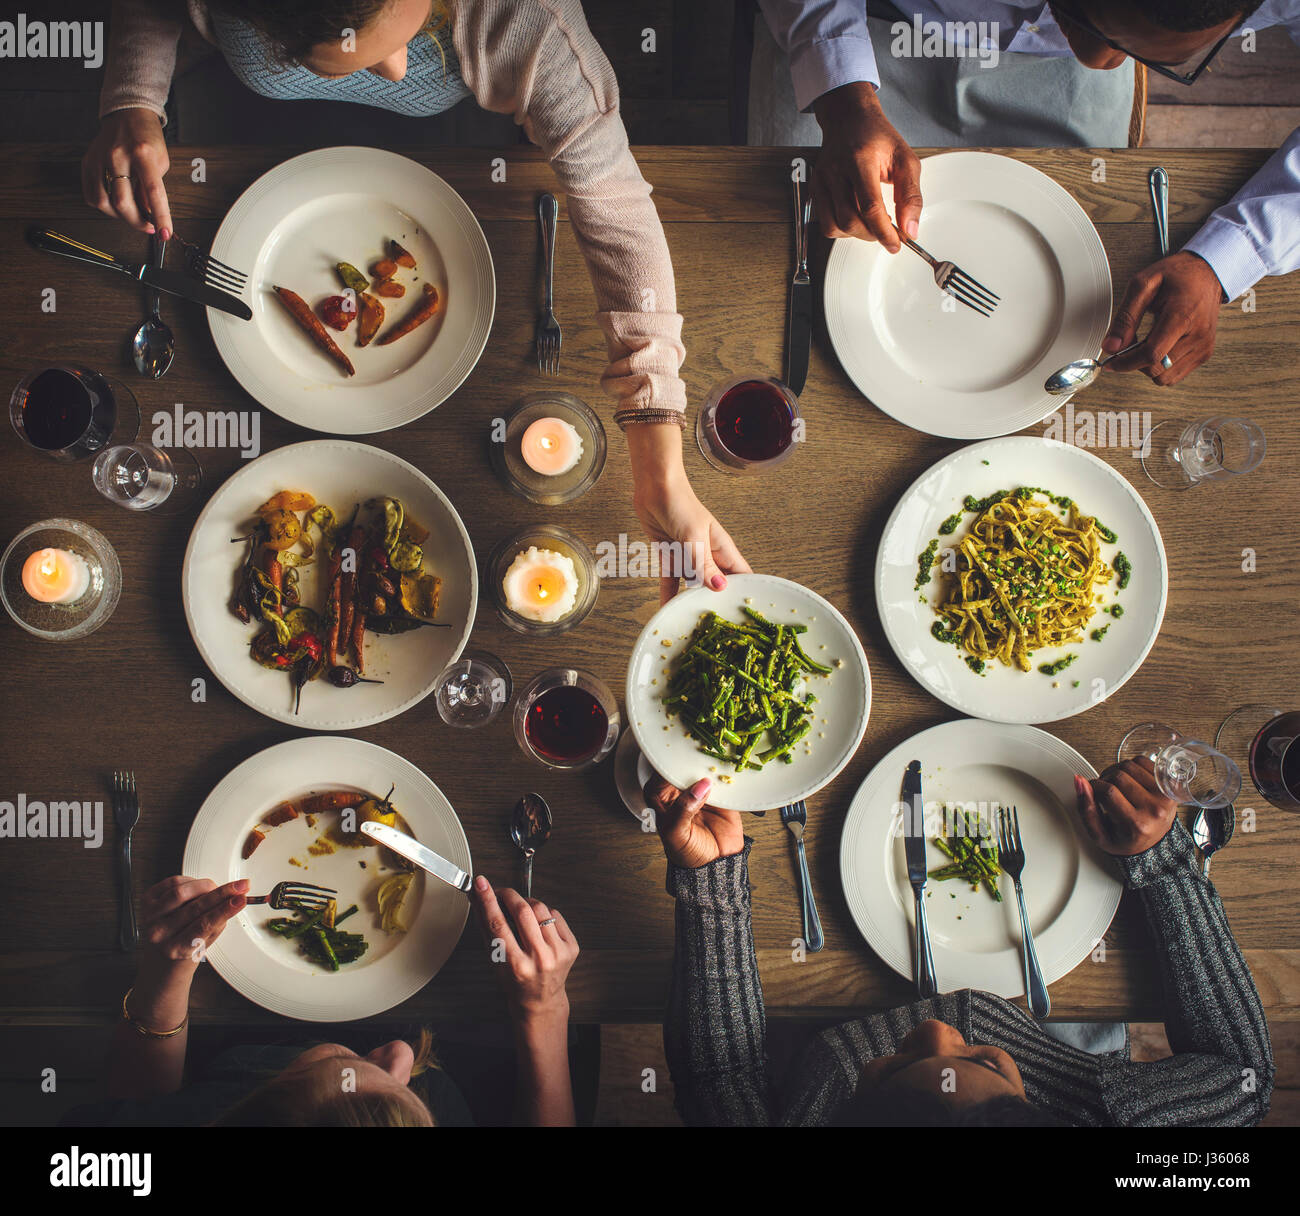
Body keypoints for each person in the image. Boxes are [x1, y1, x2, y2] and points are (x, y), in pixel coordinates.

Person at [84, 0, 750, 604]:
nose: (399, 71)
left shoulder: (527, 19)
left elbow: (616, 206)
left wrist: (658, 459)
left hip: (459, 149)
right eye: (365, 55)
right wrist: (134, 101)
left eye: (409, 31)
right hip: (236, 128)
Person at [647, 756, 1274, 1125]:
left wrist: (713, 880)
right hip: (1062, 1039)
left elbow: (718, 1075)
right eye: (985, 1063)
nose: (941, 1030)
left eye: (897, 1066)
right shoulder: (1119, 1118)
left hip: (807, 1033)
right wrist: (1164, 867)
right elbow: (1242, 1078)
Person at [751, 1, 1300, 387]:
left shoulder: (1102, 53)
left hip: (1056, 75)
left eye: (1167, 60)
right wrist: (843, 101)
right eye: (1083, 16)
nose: (1102, 62)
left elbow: (1103, 53)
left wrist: (1230, 257)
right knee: (783, 209)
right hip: (869, 27)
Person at [67, 872, 578, 1126]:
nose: (400, 1053)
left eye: (341, 1063)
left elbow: (141, 1109)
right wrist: (546, 1009)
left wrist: (165, 975)